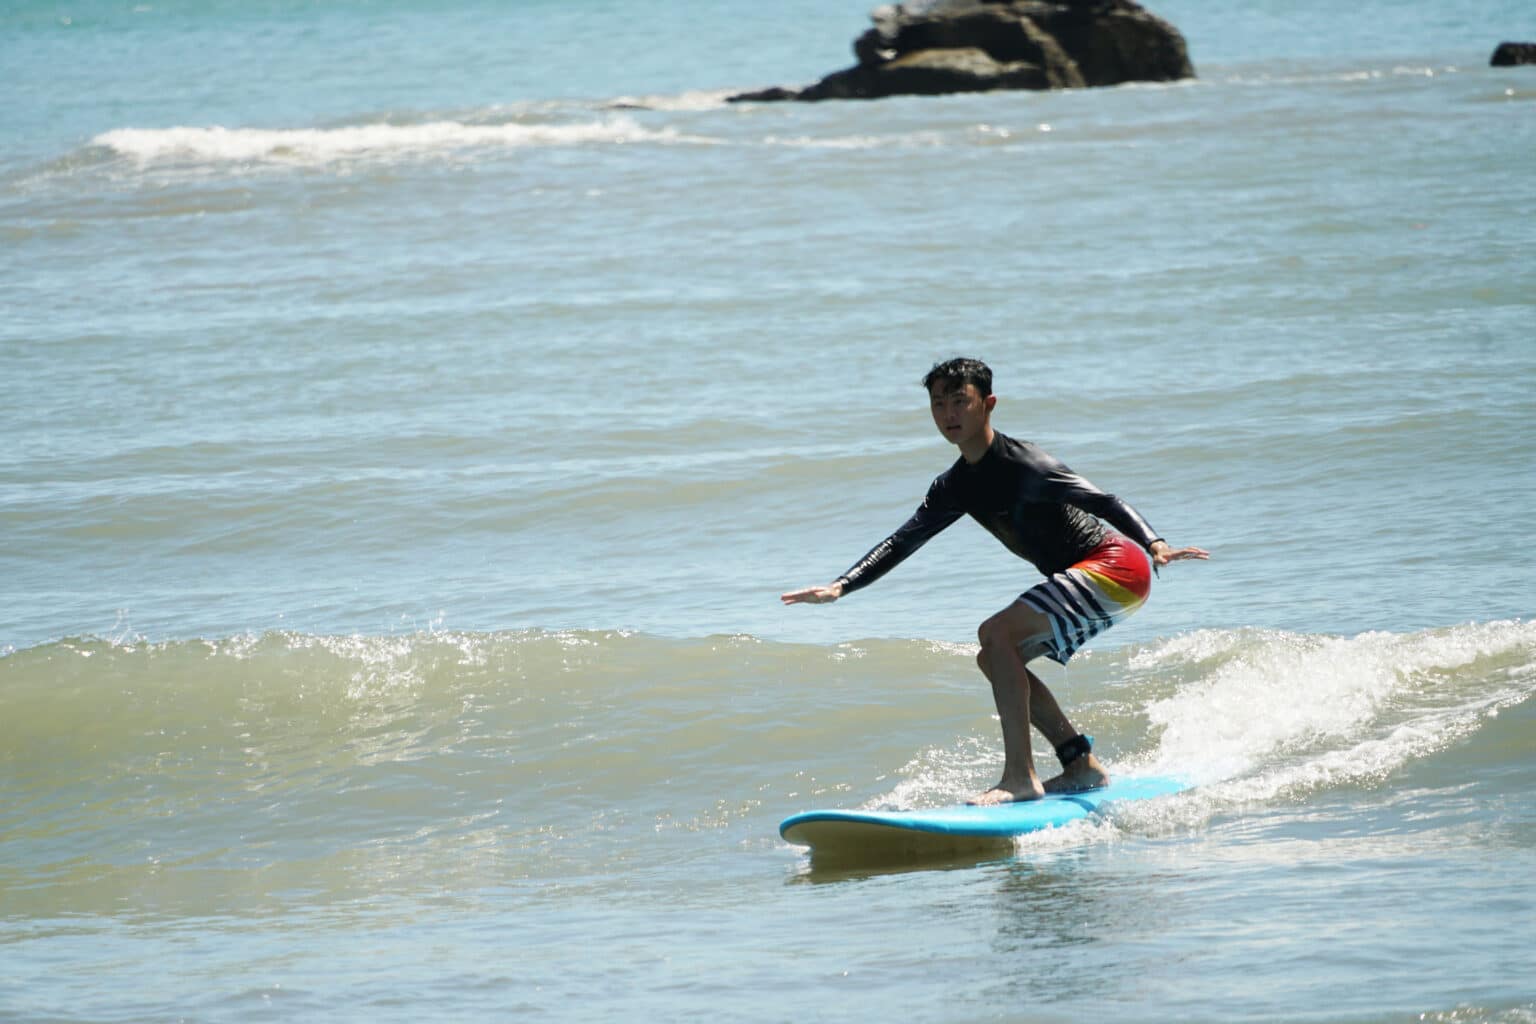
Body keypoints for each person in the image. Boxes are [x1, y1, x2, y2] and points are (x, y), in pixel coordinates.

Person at [781, 358, 1208, 805]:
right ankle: (1079, 762)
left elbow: (1105, 501)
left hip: (1117, 565)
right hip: (1099, 578)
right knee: (994, 657)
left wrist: (1155, 543)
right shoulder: (954, 486)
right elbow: (904, 540)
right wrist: (841, 586)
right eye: (938, 404)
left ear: (988, 404)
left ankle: (1020, 778)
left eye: (960, 402)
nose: (949, 414)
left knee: (995, 633)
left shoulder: (1026, 463)